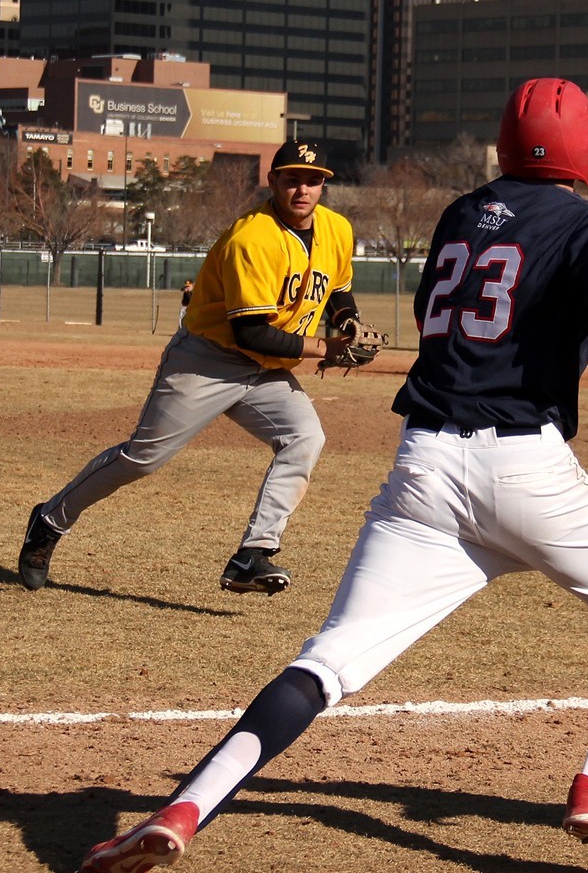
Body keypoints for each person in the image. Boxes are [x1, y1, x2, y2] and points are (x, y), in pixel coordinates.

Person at [77, 78, 588, 873]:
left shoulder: (464, 213)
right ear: (586, 151)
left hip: (423, 465)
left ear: (504, 140)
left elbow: (449, 307)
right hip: (521, 459)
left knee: (329, 660)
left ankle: (182, 808)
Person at [18, 140, 368, 596]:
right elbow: (251, 333)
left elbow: (338, 287)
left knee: (305, 437)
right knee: (143, 459)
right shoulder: (253, 238)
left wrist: (348, 321)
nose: (304, 189)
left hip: (265, 371)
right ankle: (49, 520)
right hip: (208, 360)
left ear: (324, 185)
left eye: (314, 180)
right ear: (274, 181)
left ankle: (253, 554)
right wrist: (327, 348)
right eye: (292, 178)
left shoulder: (337, 229)